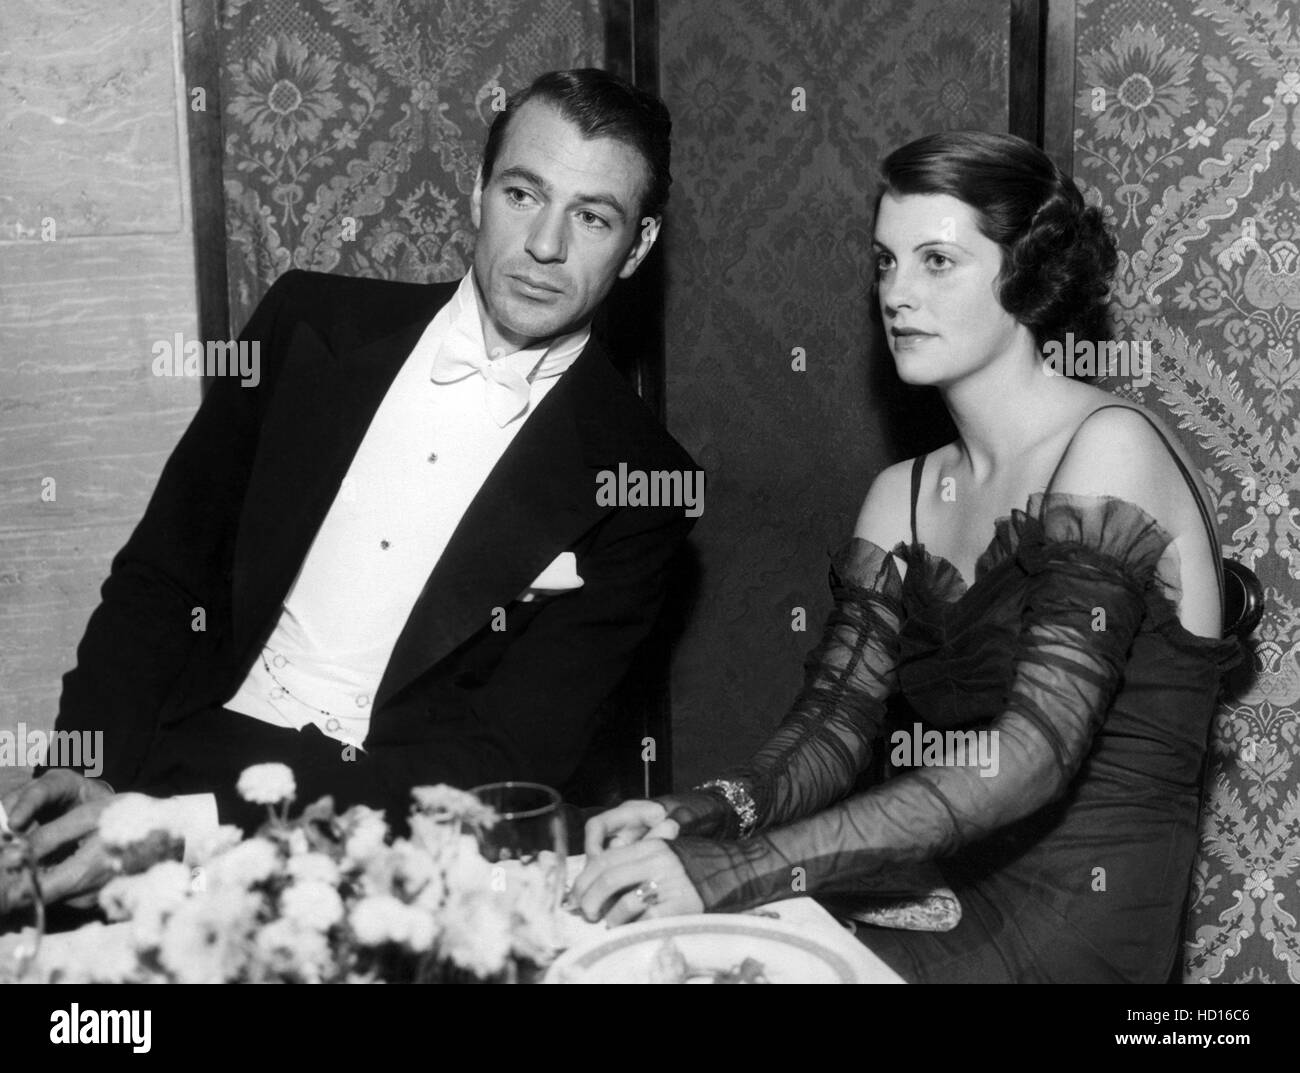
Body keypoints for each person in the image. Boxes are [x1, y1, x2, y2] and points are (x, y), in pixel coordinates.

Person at [3, 69, 699, 909]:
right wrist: (87, 772)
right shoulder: (307, 324)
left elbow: (502, 761)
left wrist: (175, 828)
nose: (546, 245)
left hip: (395, 846)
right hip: (167, 764)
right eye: (523, 194)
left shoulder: (643, 484)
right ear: (479, 191)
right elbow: (162, 577)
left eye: (593, 217)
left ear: (641, 244)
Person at [572, 130, 1241, 983]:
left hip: (1083, 925)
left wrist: (732, 871)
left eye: (937, 261)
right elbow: (832, 728)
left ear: (1026, 273)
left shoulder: (1113, 448)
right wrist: (693, 817)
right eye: (886, 262)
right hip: (950, 892)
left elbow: (1031, 755)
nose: (898, 293)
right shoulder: (906, 492)